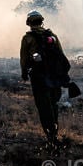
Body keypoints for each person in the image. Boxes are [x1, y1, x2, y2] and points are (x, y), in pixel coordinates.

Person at [20, 10, 71, 146]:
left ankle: (50, 136)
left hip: (39, 78)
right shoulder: (52, 36)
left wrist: (24, 73)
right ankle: (54, 132)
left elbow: (24, 59)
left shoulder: (27, 38)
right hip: (54, 77)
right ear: (42, 21)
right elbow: (61, 55)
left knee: (43, 106)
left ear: (29, 23)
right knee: (53, 104)